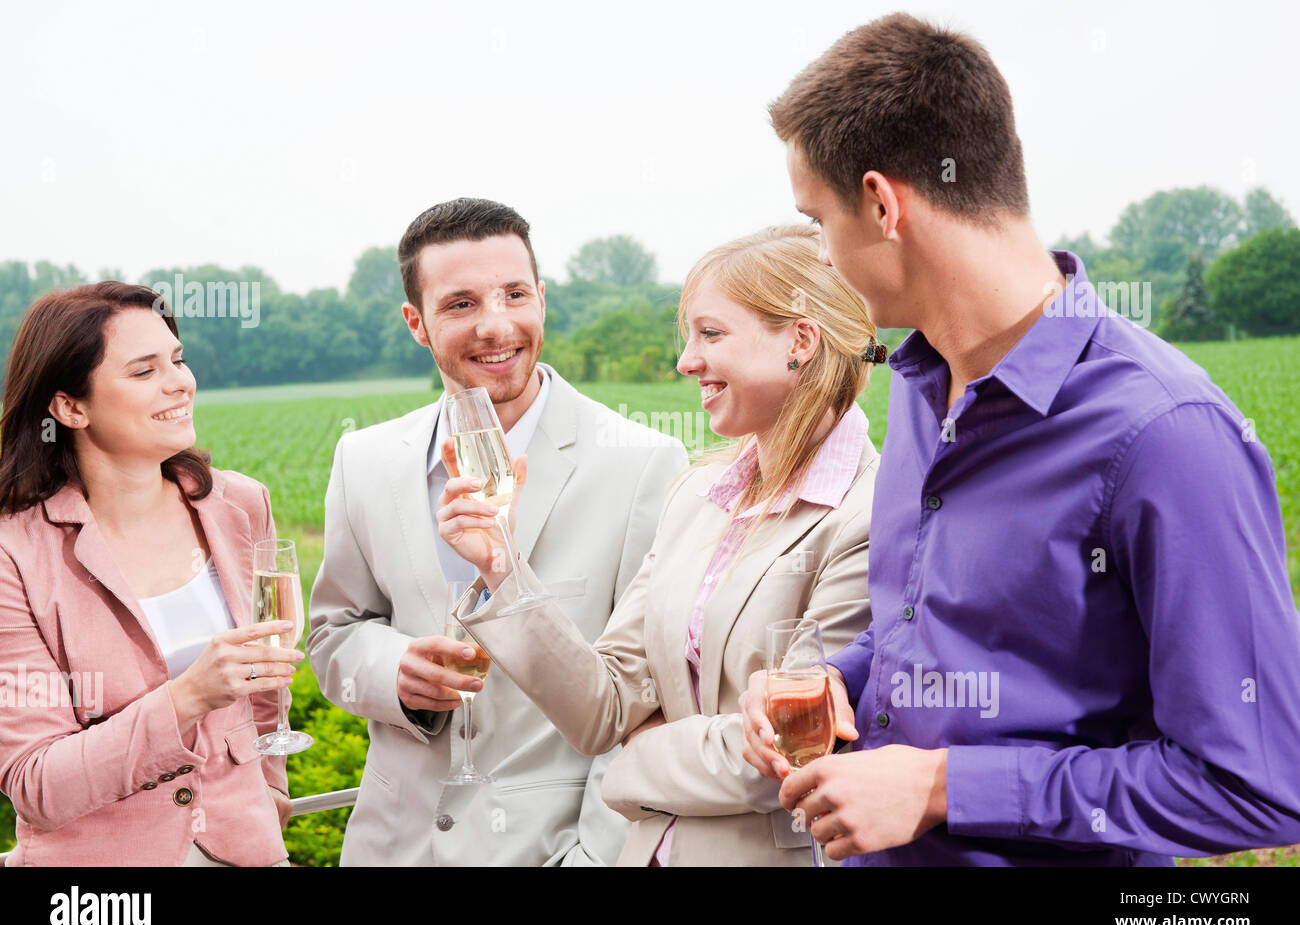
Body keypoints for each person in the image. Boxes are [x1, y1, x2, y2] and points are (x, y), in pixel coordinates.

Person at [741, 13, 1300, 865]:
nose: (820, 257)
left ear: (882, 204)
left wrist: (941, 789)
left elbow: (1257, 786)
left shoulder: (1166, 435)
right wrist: (838, 682)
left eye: (817, 223)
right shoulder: (922, 386)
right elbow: (939, 636)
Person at [439, 224, 884, 865]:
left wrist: (633, 766)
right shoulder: (694, 497)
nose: (686, 361)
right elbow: (605, 707)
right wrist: (504, 569)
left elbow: (794, 751)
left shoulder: (868, 515)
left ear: (801, 341)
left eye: (711, 334)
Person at [307, 197, 687, 866]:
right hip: (391, 848)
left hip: (552, 850)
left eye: (515, 294)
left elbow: (651, 693)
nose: (497, 325)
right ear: (415, 323)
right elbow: (334, 633)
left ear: (541, 299)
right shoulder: (363, 460)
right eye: (460, 304)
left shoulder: (644, 463)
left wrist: (594, 858)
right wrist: (393, 672)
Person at [0, 281, 301, 867]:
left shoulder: (239, 504)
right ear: (70, 407)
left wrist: (272, 784)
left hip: (248, 853)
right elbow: (37, 784)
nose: (180, 382)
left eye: (178, 360)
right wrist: (187, 698)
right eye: (144, 371)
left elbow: (268, 685)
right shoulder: (13, 551)